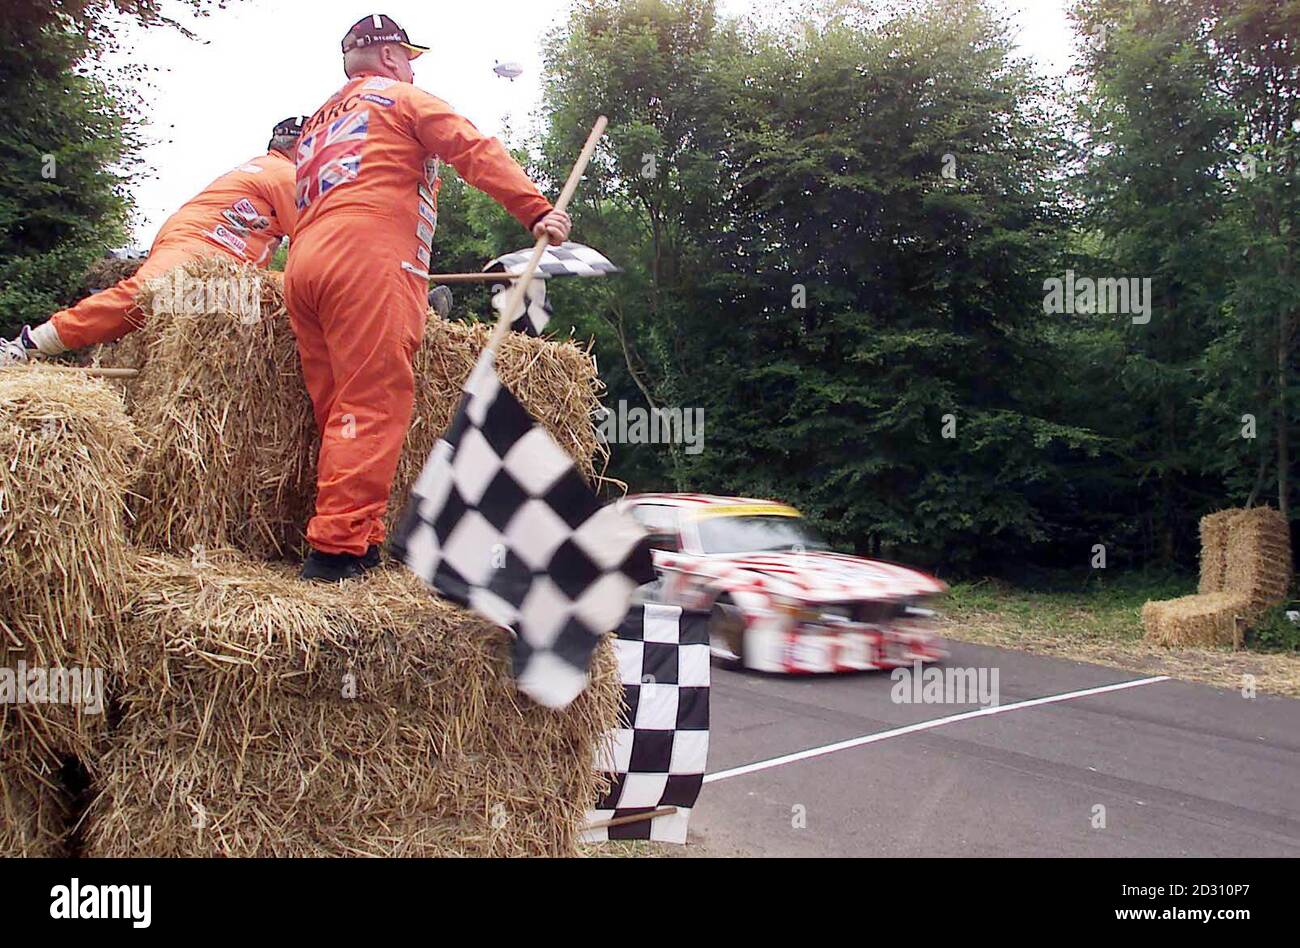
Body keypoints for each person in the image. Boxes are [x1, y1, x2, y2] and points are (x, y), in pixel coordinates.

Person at [285, 14, 571, 582]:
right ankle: (336, 556)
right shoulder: (401, 99)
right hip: (367, 260)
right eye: (409, 57)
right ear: (390, 57)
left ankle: (359, 539)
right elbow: (473, 148)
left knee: (338, 410)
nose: (413, 67)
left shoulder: (318, 120)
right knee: (373, 403)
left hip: (304, 265)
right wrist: (536, 209)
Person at [1, 118, 304, 364]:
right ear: (300, 146)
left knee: (272, 296)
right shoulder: (285, 173)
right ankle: (30, 343)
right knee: (146, 296)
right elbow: (312, 238)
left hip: (214, 252)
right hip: (202, 247)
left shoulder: (265, 168)